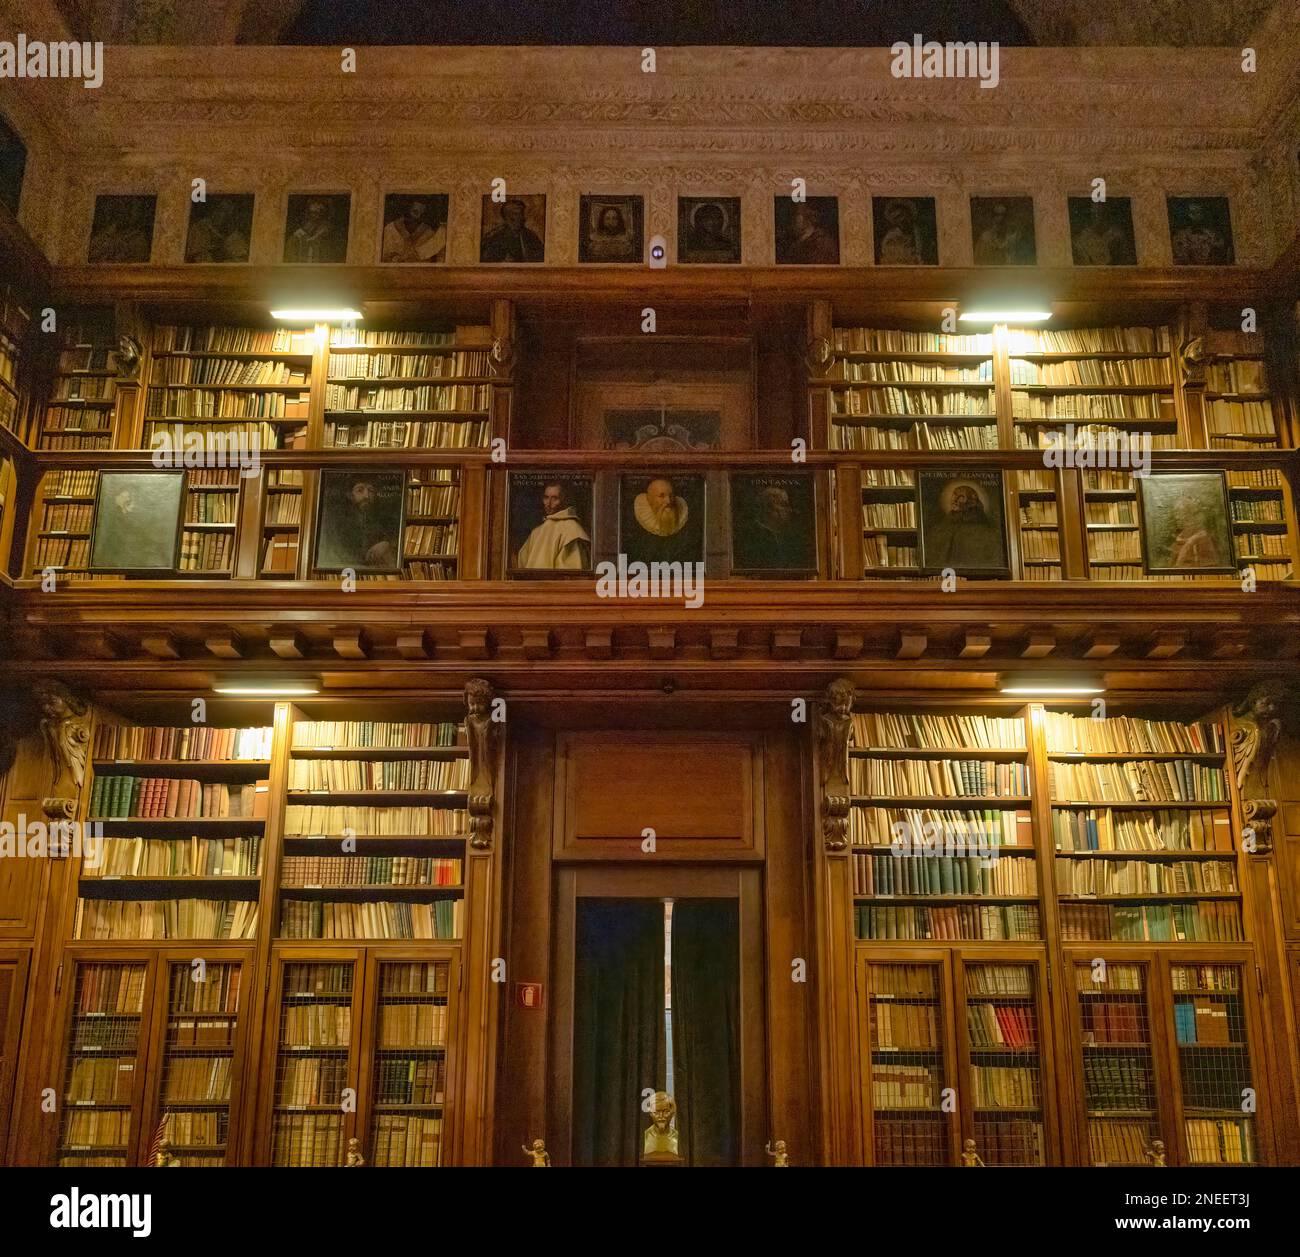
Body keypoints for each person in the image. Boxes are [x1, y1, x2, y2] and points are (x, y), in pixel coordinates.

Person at [317, 477, 398, 569]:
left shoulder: (381, 519)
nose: (366, 496)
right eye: (360, 490)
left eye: (371, 491)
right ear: (350, 495)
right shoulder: (338, 519)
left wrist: (385, 545)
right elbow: (337, 553)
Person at [926, 482, 1005, 570]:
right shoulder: (946, 522)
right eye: (953, 495)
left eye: (961, 497)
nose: (954, 500)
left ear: (971, 500)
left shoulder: (981, 526)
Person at [515, 481, 591, 570]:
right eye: (546, 498)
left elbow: (573, 571)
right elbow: (522, 563)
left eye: (555, 498)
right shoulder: (537, 531)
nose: (548, 503)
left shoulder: (572, 529)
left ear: (564, 500)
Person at [734, 484, 812, 571]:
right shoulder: (750, 538)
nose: (790, 510)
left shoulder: (787, 538)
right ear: (768, 508)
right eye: (784, 505)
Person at [628, 476, 698, 564]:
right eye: (661, 496)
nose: (668, 501)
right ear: (649, 499)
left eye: (671, 495)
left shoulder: (685, 518)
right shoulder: (635, 526)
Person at [382, 197, 446, 263]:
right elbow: (384, 256)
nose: (418, 217)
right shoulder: (390, 229)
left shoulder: (429, 233)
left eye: (422, 214)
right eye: (415, 212)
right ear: (407, 211)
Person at [481, 197, 545, 262]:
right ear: (508, 217)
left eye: (522, 214)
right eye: (517, 214)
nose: (523, 218)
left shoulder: (530, 236)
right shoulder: (494, 238)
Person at [285, 197, 345, 263]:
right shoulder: (297, 237)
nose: (316, 218)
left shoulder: (332, 239)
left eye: (321, 214)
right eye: (313, 213)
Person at [1072, 201, 1130, 266]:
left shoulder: (1117, 235)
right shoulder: (1081, 238)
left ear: (1107, 214)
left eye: (1101, 214)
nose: (1098, 217)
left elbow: (1126, 261)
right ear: (1091, 215)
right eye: (1094, 214)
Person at [973, 201, 1031, 266]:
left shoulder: (1013, 238)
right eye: (997, 215)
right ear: (993, 218)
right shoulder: (985, 238)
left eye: (1004, 215)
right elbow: (978, 262)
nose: (1001, 218)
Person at [1171, 201, 1228, 265]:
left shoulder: (1213, 236)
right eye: (1192, 213)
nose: (1196, 216)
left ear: (1202, 214)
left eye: (1198, 212)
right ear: (1188, 214)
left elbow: (1218, 254)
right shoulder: (1179, 236)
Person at [877, 199, 924, 264]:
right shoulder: (891, 237)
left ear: (909, 214)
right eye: (897, 217)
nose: (902, 219)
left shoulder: (917, 232)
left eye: (903, 215)